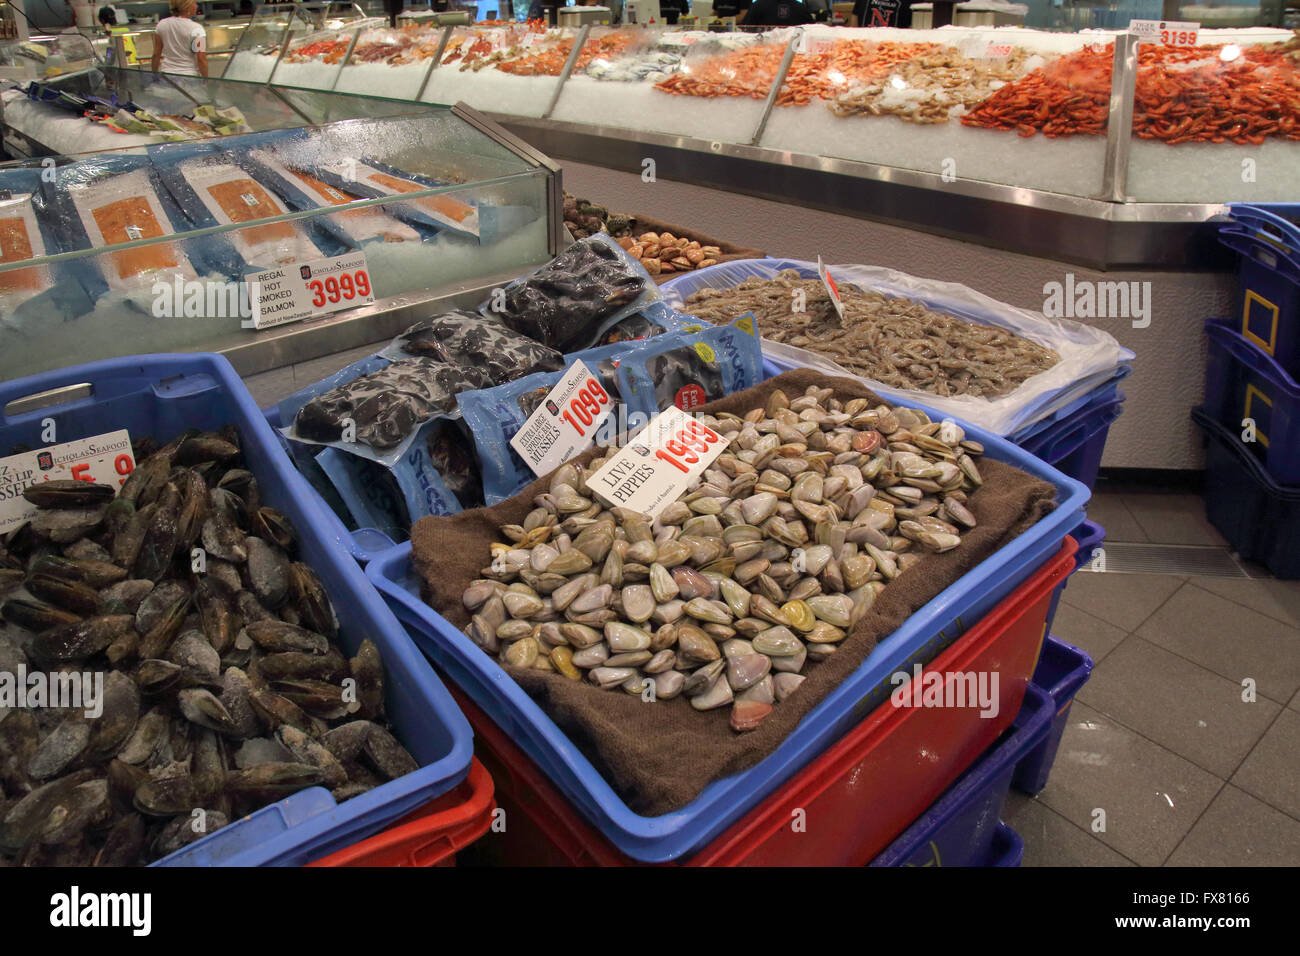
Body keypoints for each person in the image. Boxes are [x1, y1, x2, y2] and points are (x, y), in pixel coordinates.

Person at [151, 0, 208, 77]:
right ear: (187, 7)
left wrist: (154, 75)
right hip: (189, 76)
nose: (196, 6)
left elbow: (156, 54)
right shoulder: (197, 29)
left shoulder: (161, 24)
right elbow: (201, 58)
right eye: (194, 3)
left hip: (167, 74)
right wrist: (206, 79)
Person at [740, 0, 811, 25]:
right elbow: (812, 30)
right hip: (796, 52)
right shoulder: (801, 8)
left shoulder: (757, 5)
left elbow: (745, 29)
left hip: (764, 50)